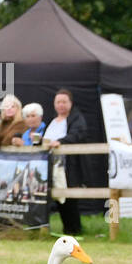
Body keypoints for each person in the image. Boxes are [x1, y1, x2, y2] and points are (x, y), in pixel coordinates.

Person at [43, 88, 89, 235]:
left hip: (70, 165)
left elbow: (77, 134)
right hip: (53, 164)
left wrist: (61, 142)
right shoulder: (53, 121)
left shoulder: (77, 118)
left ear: (70, 103)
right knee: (58, 197)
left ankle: (75, 230)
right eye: (58, 102)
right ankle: (67, 229)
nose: (61, 105)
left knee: (69, 198)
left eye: (64, 102)